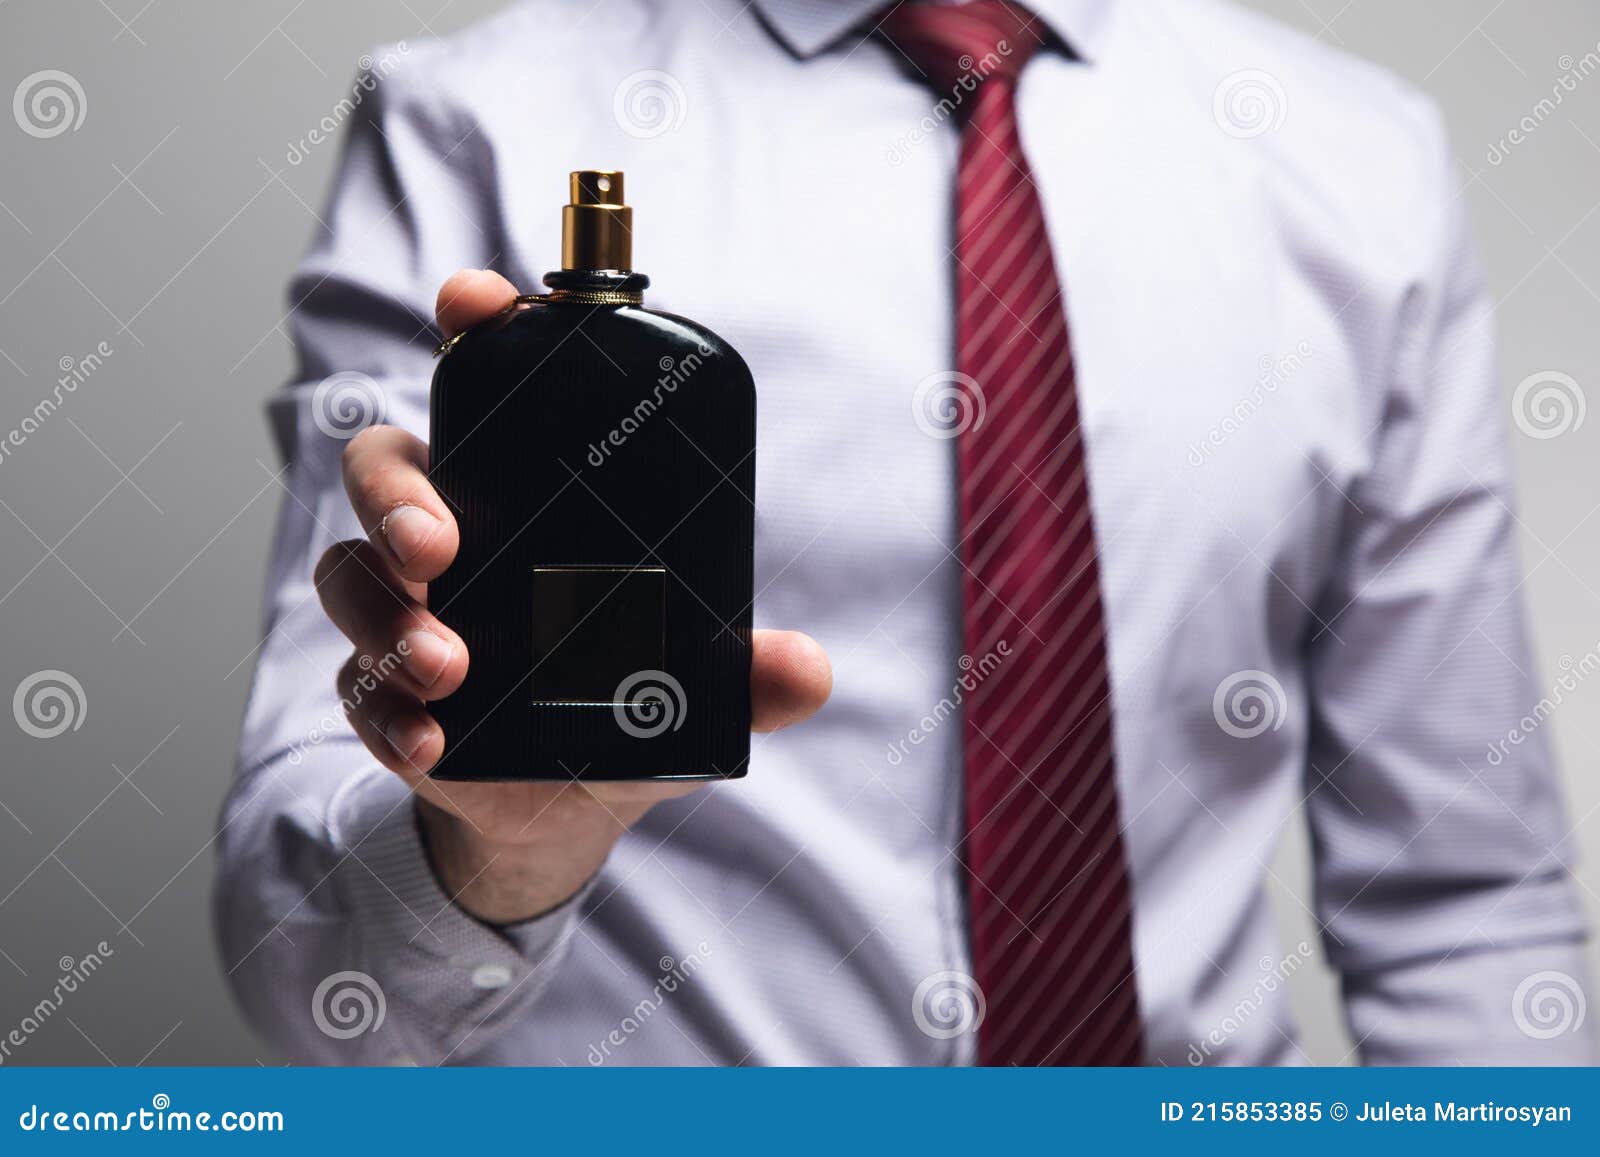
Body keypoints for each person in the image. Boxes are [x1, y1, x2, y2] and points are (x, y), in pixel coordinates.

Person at [216, 0, 1595, 1065]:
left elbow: (1468, 903)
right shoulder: (478, 123)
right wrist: (499, 862)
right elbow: (312, 984)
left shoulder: (1361, 165)